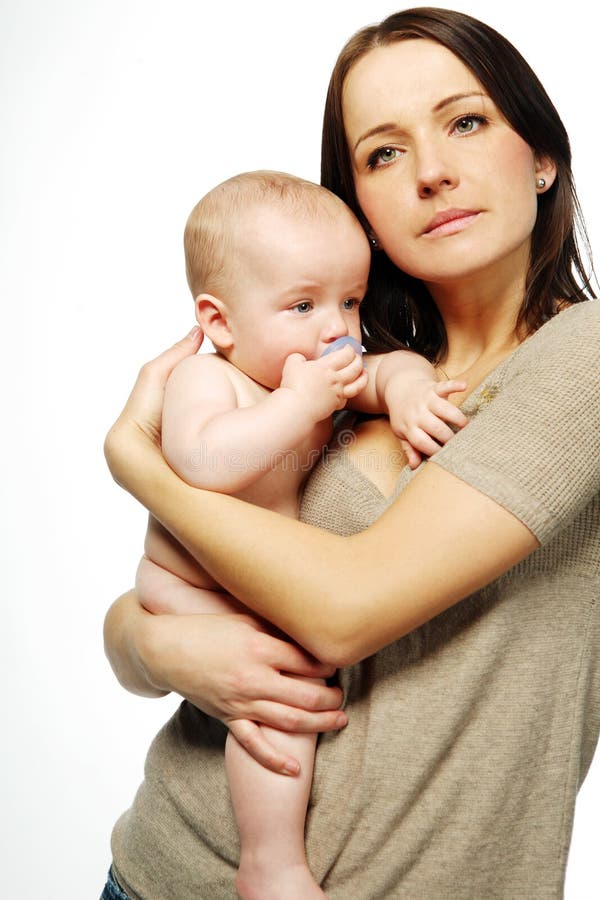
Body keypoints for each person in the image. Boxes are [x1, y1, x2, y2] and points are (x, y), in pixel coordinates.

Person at [102, 7, 599, 900]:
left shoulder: (584, 357)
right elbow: (157, 608)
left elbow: (339, 611)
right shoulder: (330, 367)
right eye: (383, 153)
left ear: (542, 155)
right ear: (357, 206)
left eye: (466, 121)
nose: (434, 172)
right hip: (159, 872)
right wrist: (157, 647)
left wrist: (135, 461)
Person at [133, 169, 466, 900]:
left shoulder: (319, 368)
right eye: (302, 304)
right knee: (279, 685)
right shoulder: (209, 381)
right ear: (219, 323)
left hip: (255, 582)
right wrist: (296, 406)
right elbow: (202, 463)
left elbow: (378, 372)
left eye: (349, 300)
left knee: (282, 673)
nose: (335, 328)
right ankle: (270, 861)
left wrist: (406, 386)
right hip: (186, 586)